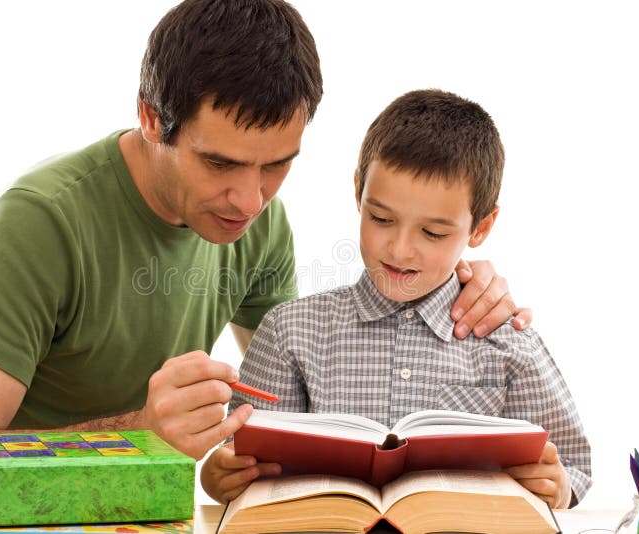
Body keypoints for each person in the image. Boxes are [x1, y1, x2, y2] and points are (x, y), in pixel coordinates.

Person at [0, 0, 530, 461]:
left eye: (277, 165)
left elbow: (305, 381)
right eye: (219, 164)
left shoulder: (261, 226)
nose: (250, 200)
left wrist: (452, 292)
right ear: (151, 118)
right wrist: (136, 433)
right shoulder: (40, 220)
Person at [201, 89, 592, 508]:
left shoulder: (509, 342)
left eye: (433, 233)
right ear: (358, 192)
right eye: (381, 218)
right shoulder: (290, 332)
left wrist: (558, 486)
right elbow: (239, 459)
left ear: (480, 227)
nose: (400, 249)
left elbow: (573, 467)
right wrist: (219, 475)